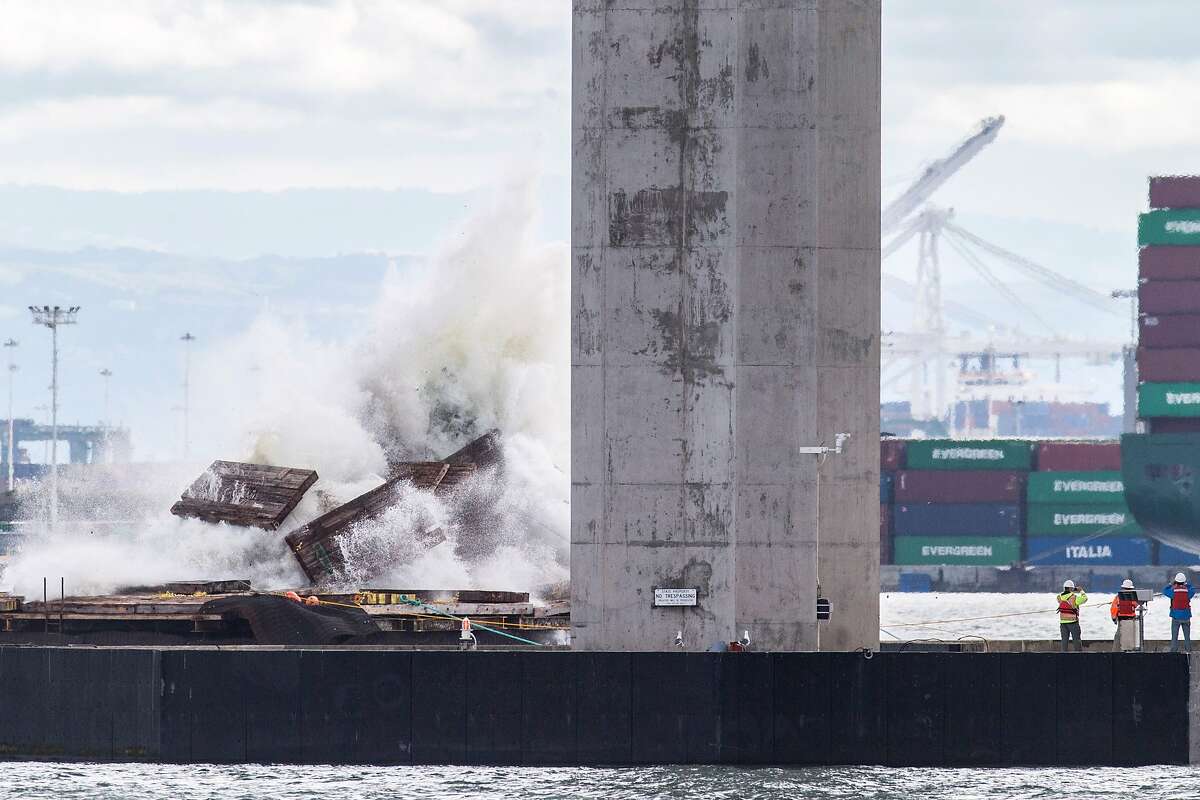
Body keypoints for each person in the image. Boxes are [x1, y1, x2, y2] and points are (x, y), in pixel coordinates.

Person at [1163, 572, 1197, 654]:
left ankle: (1173, 652)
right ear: (1184, 581)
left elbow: (1164, 590)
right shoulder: (1188, 592)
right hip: (1186, 617)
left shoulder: (1173, 592)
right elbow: (1192, 589)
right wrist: (1186, 585)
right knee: (1187, 637)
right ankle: (1188, 651)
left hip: (1176, 617)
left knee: (1174, 637)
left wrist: (1171, 584)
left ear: (1176, 581)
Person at [1110, 578, 1139, 652]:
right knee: (1130, 637)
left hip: (1122, 619)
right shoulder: (1134, 596)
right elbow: (1136, 605)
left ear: (1123, 587)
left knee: (1118, 637)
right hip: (1131, 619)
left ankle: (1115, 652)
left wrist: (1114, 618)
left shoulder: (1118, 597)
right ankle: (1128, 651)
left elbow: (1114, 608)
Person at [1057, 579, 1087, 652]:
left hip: (1063, 622)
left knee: (1064, 641)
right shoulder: (1074, 597)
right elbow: (1085, 598)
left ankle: (1063, 656)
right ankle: (1078, 657)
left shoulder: (1059, 597)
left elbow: (1063, 595)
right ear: (1071, 588)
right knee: (1076, 640)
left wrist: (1071, 591)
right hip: (1073, 622)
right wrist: (1081, 591)